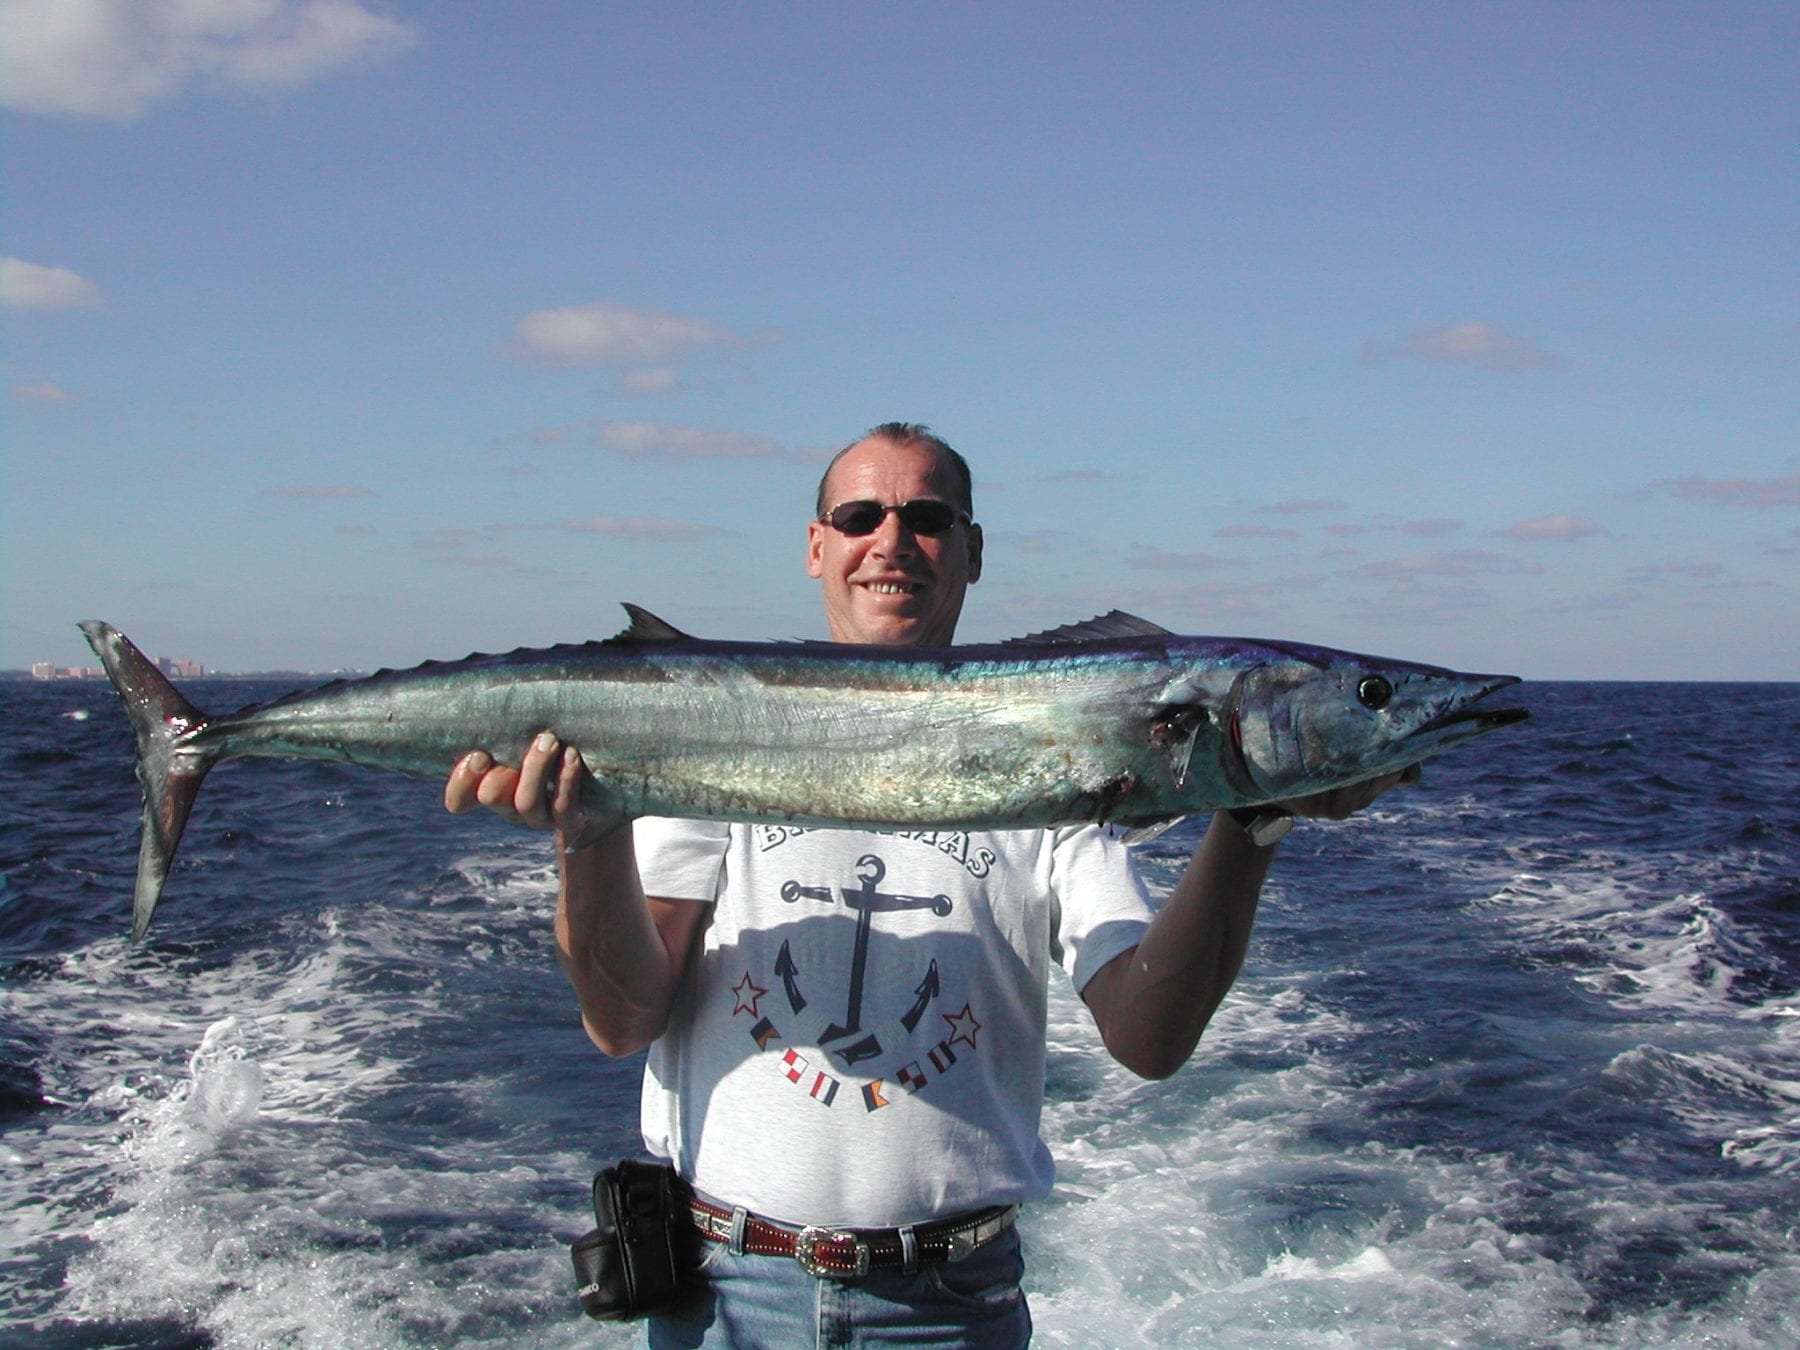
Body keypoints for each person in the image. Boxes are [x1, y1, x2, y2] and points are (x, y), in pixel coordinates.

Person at [445, 423, 1411, 1347]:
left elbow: (1147, 1038)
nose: (892, 541)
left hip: (953, 1309)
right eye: (861, 518)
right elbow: (622, 1021)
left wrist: (1254, 819)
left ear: (972, 550)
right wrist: (587, 836)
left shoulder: (1070, 759)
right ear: (817, 548)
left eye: (929, 518)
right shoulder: (710, 738)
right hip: (727, 1295)